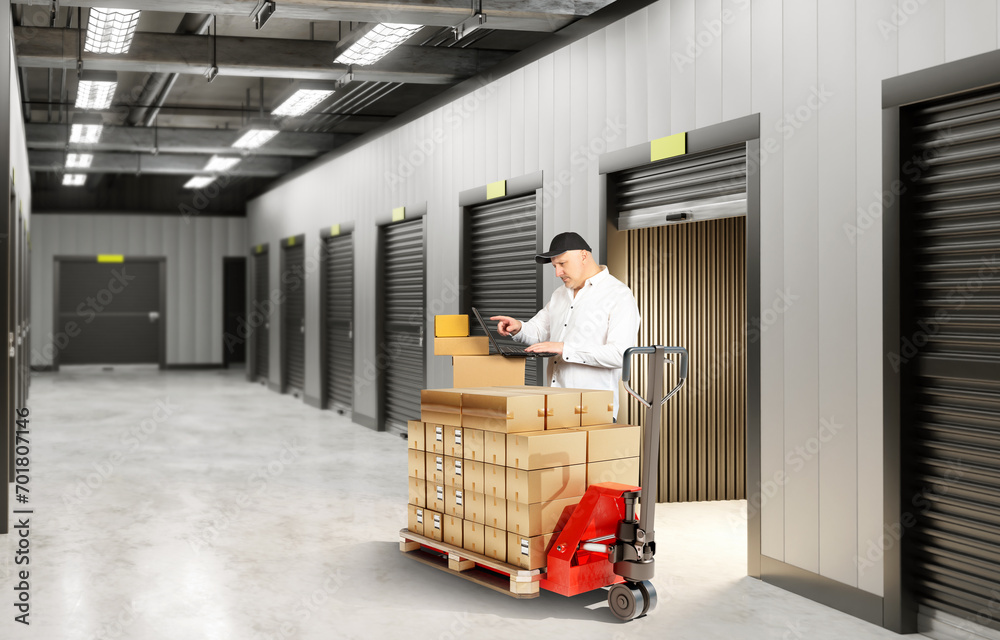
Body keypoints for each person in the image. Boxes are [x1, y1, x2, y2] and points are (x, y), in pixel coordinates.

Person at [491, 231, 640, 418]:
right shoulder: (560, 294)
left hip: (593, 411)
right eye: (554, 266)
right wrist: (519, 327)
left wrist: (565, 348)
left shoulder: (618, 295)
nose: (557, 273)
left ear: (583, 255)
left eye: (562, 264)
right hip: (554, 406)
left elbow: (621, 355)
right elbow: (539, 331)